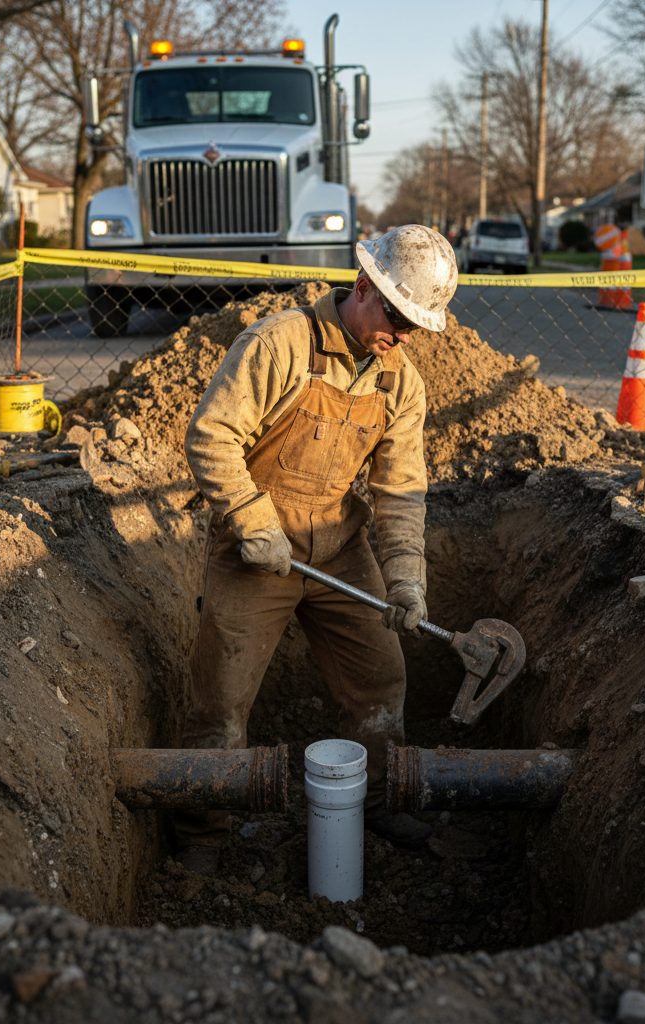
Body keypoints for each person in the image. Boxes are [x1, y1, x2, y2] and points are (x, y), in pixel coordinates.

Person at [179, 224, 459, 871]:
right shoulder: (281, 343)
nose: (404, 336)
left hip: (337, 549)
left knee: (382, 683)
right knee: (219, 702)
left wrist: (405, 581)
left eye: (417, 325)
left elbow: (399, 494)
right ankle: (202, 833)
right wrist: (251, 520)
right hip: (257, 553)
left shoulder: (398, 381)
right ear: (363, 287)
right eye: (398, 316)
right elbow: (212, 436)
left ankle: (383, 800)